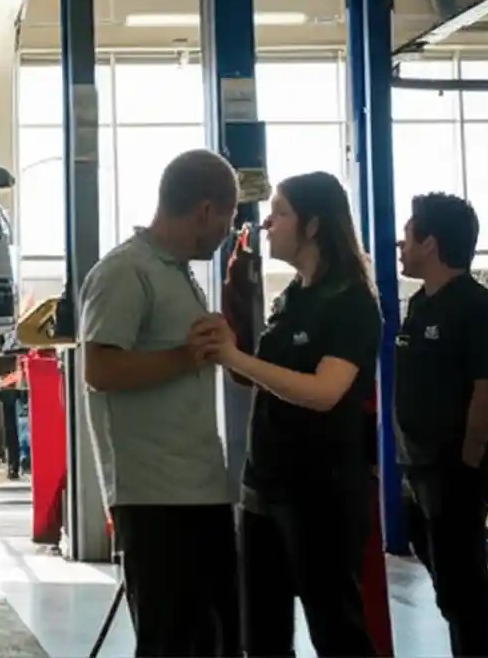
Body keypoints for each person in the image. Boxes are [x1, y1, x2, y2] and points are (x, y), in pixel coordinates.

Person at [198, 171, 380, 657]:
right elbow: (263, 376)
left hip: (319, 492)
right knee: (261, 630)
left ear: (313, 225)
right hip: (265, 486)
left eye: (280, 214)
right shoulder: (292, 298)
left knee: (334, 623)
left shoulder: (350, 302)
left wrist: (237, 359)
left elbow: (325, 391)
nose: (268, 225)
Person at [78, 148, 240, 657]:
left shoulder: (177, 272)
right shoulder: (126, 272)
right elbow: (99, 370)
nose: (228, 231)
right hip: (156, 499)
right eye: (229, 218)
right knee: (172, 641)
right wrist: (187, 355)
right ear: (205, 211)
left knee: (215, 640)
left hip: (199, 491)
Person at [394, 192, 488, 657]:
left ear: (430, 243)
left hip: (454, 469)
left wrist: (470, 456)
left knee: (464, 585)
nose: (401, 245)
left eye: (408, 235)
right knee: (444, 573)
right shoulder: (420, 304)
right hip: (417, 467)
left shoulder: (478, 308)